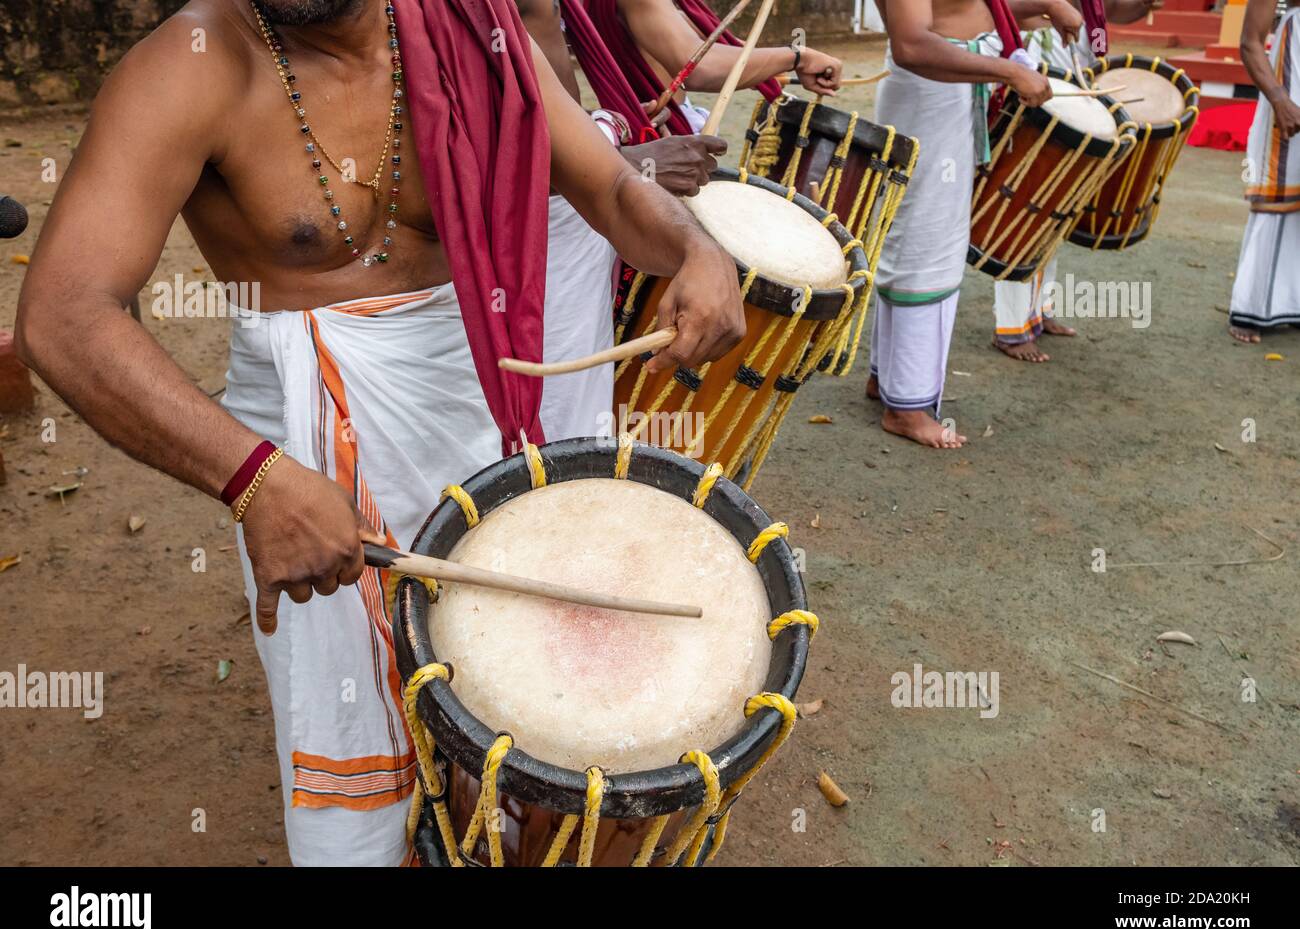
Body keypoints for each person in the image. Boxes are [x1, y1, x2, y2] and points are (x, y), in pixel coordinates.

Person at [14, 0, 744, 866]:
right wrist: (254, 479)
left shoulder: (474, 28)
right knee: (356, 754)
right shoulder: (194, 64)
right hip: (302, 458)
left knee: (533, 691)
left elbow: (611, 184)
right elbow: (64, 313)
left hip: (493, 404)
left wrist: (695, 249)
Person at [516, 0, 726, 440]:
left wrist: (600, 134)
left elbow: (523, 105)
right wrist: (626, 160)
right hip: (524, 230)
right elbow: (446, 139)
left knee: (573, 420)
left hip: (569, 207)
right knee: (537, 433)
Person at [867, 0, 1054, 448]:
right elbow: (912, 43)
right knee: (925, 243)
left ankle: (887, 379)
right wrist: (1008, 71)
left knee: (921, 238)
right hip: (926, 93)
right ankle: (907, 406)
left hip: (941, 93)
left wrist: (1047, 5)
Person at [986, 0, 1163, 362]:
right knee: (1024, 211)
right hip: (1034, 97)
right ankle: (1011, 328)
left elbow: (1111, 12)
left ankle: (1039, 311)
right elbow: (1013, 13)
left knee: (1054, 214)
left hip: (1072, 101)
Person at [586, 0, 843, 136]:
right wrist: (798, 57)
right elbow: (698, 67)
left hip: (639, 132)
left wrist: (765, 62)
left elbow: (690, 37)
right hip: (658, 137)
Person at [1228, 0, 1300, 342]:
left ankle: (1291, 302)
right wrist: (1279, 98)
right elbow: (1250, 40)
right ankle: (1250, 306)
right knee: (1281, 187)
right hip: (1296, 66)